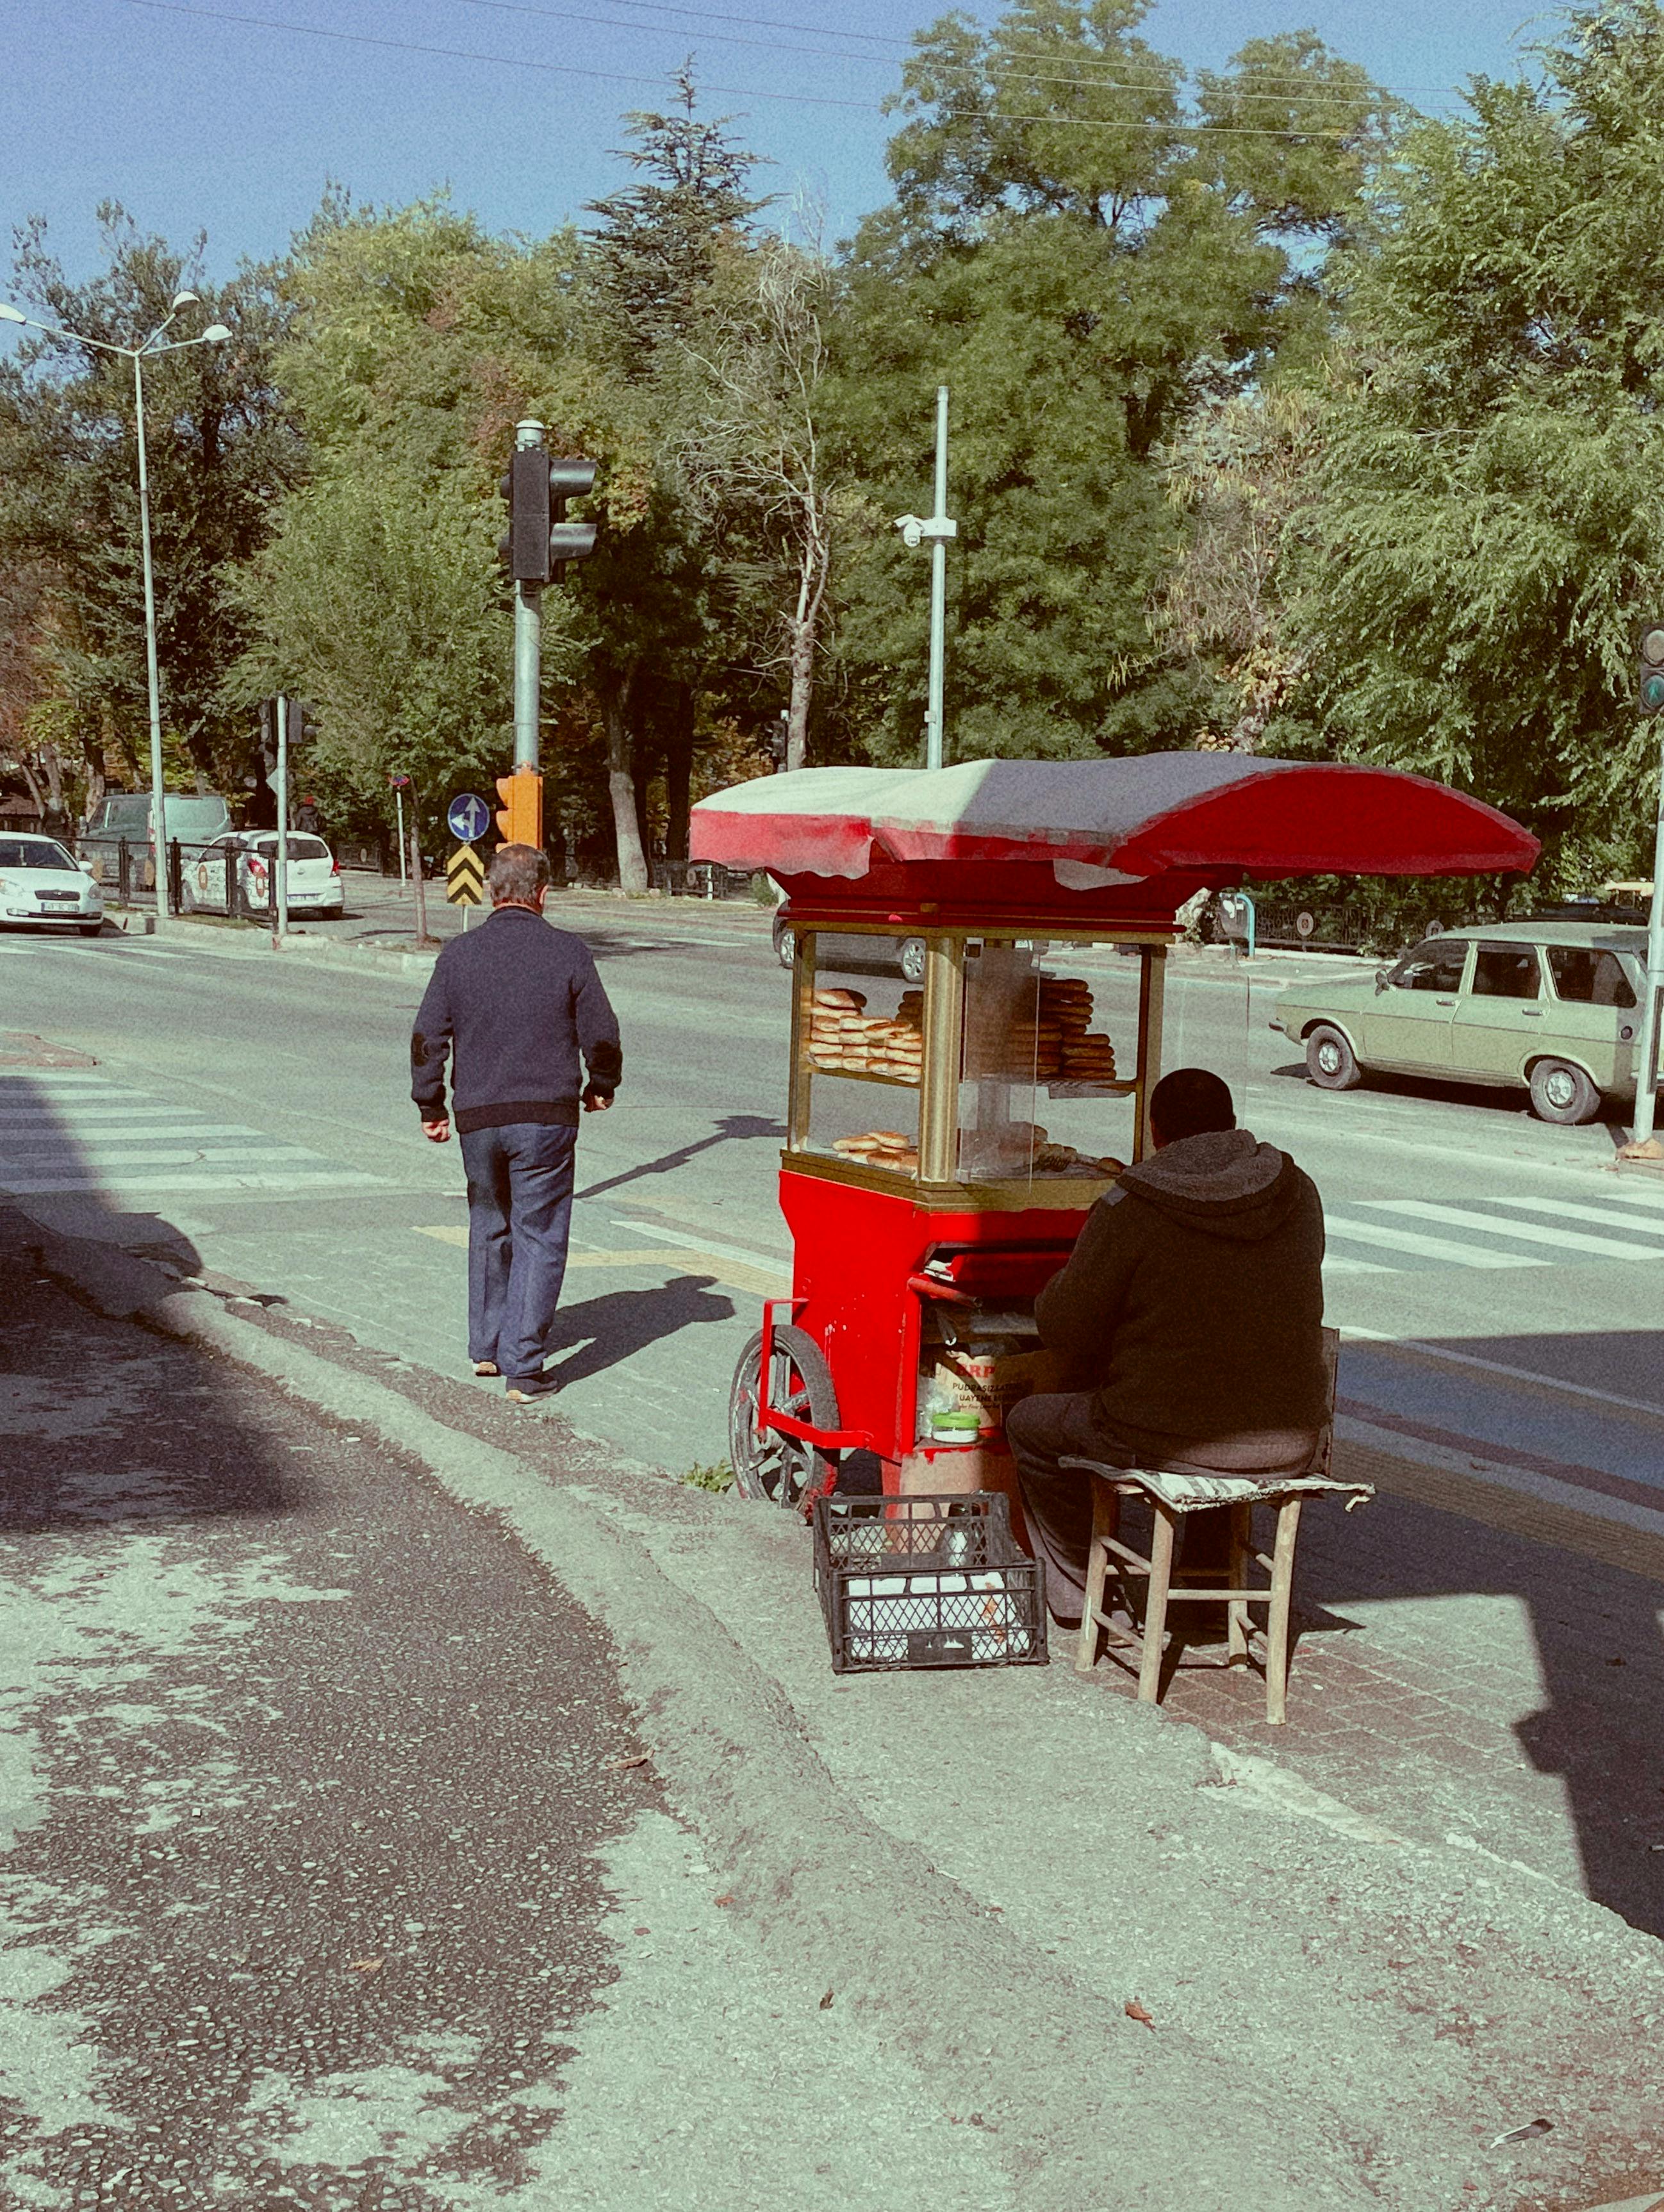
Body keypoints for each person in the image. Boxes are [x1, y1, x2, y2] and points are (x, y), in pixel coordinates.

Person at [1005, 1067, 1327, 1628]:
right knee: (1212, 1390)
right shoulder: (1297, 1190)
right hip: (1291, 1436)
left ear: (1155, 1133)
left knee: (1031, 1424)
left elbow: (1064, 1328)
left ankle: (1078, 1596)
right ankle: (1203, 1593)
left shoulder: (1131, 1205)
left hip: (1168, 1438)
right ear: (1231, 1127)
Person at [410, 843, 622, 1402]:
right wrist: (601, 1086)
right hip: (546, 1120)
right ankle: (523, 1370)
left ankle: (486, 1347)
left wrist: (430, 1105)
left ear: (491, 892)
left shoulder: (458, 955)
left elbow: (427, 1036)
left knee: (489, 1224)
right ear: (542, 894)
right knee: (541, 1234)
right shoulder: (568, 952)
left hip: (478, 1120)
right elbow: (600, 1034)